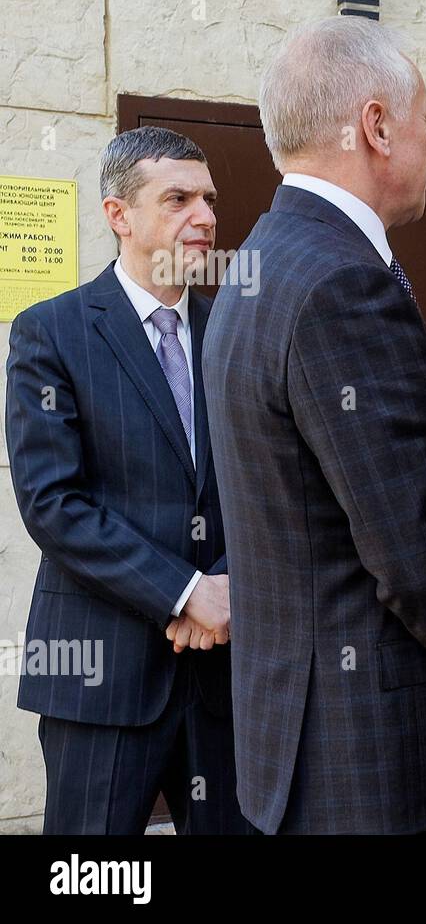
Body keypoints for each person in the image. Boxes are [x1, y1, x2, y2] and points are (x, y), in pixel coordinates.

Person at [202, 17, 426, 834]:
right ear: (375, 125)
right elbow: (416, 548)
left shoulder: (266, 259)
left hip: (306, 744)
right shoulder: (338, 285)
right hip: (360, 761)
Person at [6, 126, 248, 834]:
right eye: (177, 199)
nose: (204, 217)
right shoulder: (52, 332)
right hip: (100, 678)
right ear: (119, 216)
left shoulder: (233, 332)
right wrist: (185, 591)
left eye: (208, 199)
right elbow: (54, 503)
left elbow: (270, 485)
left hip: (224, 680)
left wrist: (227, 589)